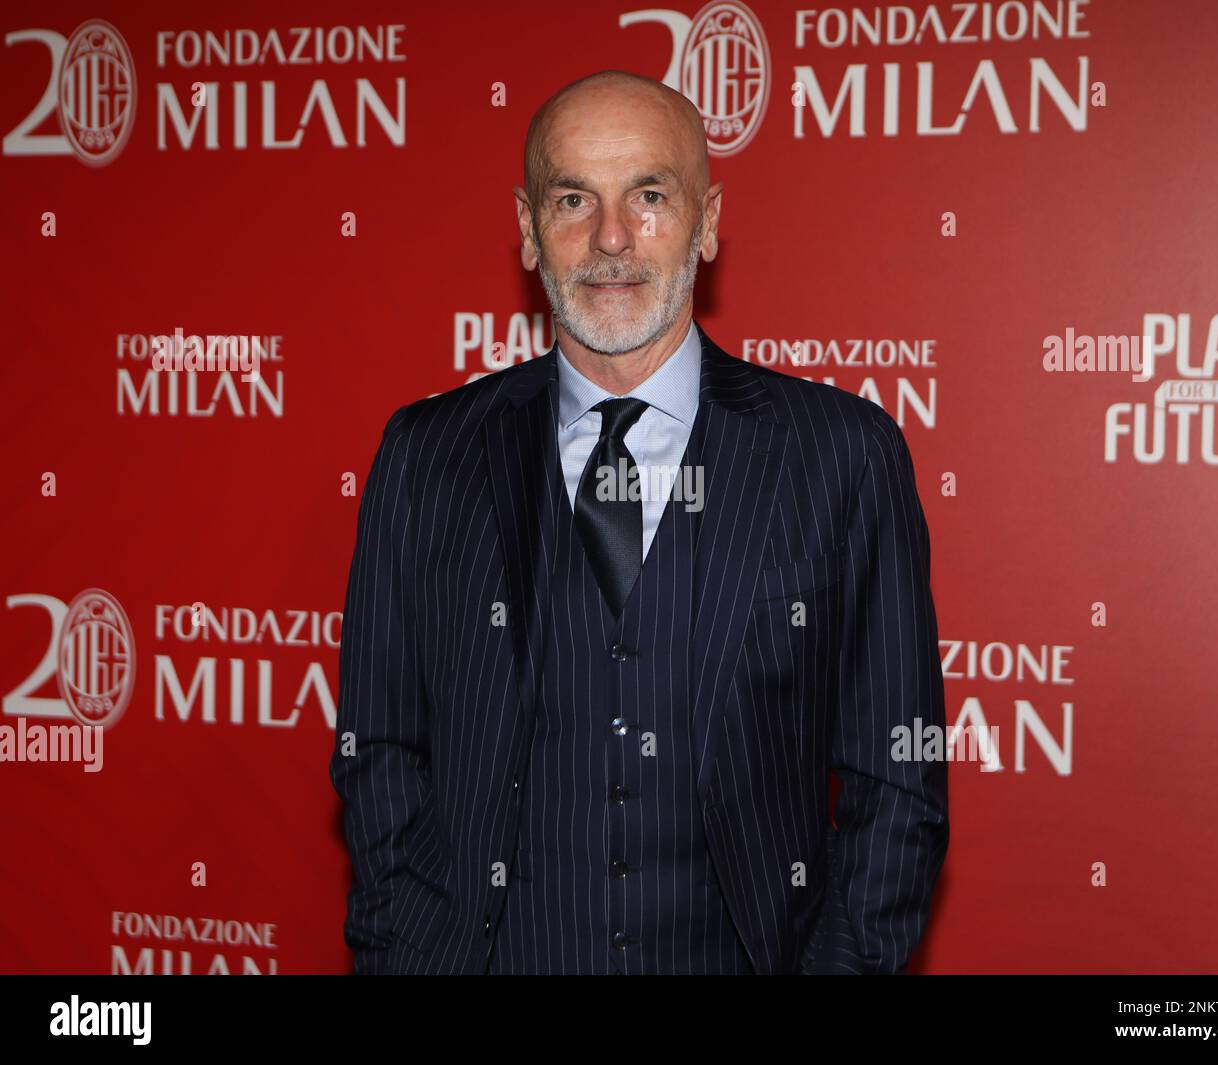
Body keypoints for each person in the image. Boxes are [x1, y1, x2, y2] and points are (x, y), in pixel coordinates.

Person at [329, 69, 949, 975]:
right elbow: (377, 745)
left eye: (650, 195)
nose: (611, 237)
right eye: (572, 197)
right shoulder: (426, 455)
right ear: (529, 229)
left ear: (705, 221)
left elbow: (899, 780)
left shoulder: (842, 457)